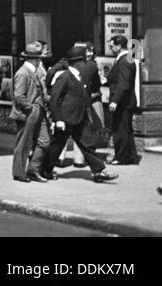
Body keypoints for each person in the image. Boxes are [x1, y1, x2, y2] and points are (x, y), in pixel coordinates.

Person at [46, 45, 115, 182]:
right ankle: (44, 169)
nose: (85, 64)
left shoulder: (77, 76)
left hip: (79, 118)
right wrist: (58, 119)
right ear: (77, 62)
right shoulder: (65, 77)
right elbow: (54, 98)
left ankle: (99, 171)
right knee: (56, 146)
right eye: (83, 61)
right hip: (65, 119)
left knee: (87, 145)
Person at [10, 41, 52, 182]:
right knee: (23, 144)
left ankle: (33, 169)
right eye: (39, 58)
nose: (40, 60)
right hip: (28, 113)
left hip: (39, 111)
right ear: (34, 59)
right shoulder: (23, 73)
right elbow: (19, 96)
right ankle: (19, 173)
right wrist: (31, 108)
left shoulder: (35, 71)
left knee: (44, 141)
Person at [106, 35, 140, 166]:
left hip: (123, 102)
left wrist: (115, 101)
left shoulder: (125, 61)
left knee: (120, 130)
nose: (111, 48)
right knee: (126, 129)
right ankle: (130, 156)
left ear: (119, 46)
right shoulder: (126, 59)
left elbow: (123, 84)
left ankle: (121, 157)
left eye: (112, 46)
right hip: (127, 101)